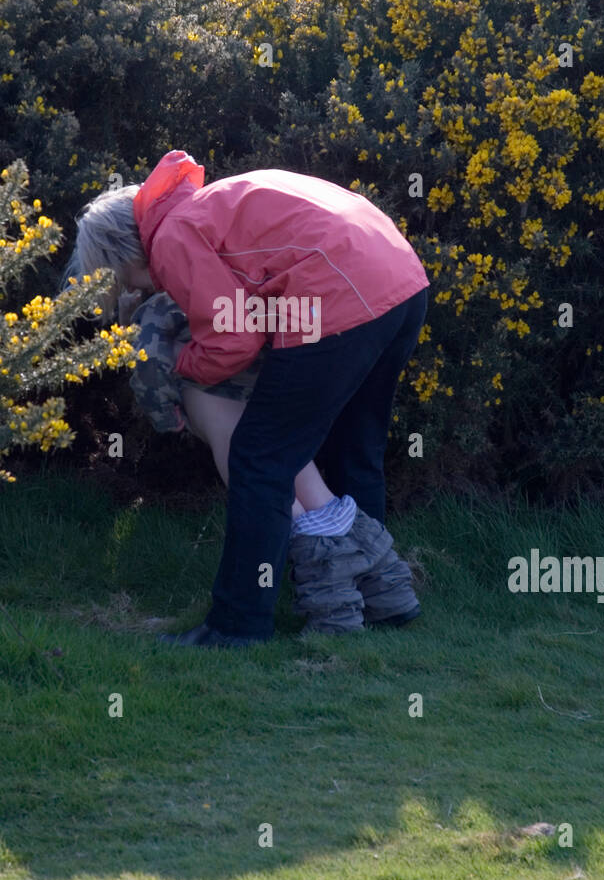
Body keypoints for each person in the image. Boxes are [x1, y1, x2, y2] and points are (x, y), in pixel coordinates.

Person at [70, 149, 429, 647]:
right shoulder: (210, 205)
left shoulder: (172, 236)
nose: (131, 287)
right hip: (401, 284)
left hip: (339, 299)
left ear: (121, 252)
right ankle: (379, 597)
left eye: (120, 277)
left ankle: (237, 625)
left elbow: (231, 339)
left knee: (259, 461)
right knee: (354, 449)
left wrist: (184, 367)